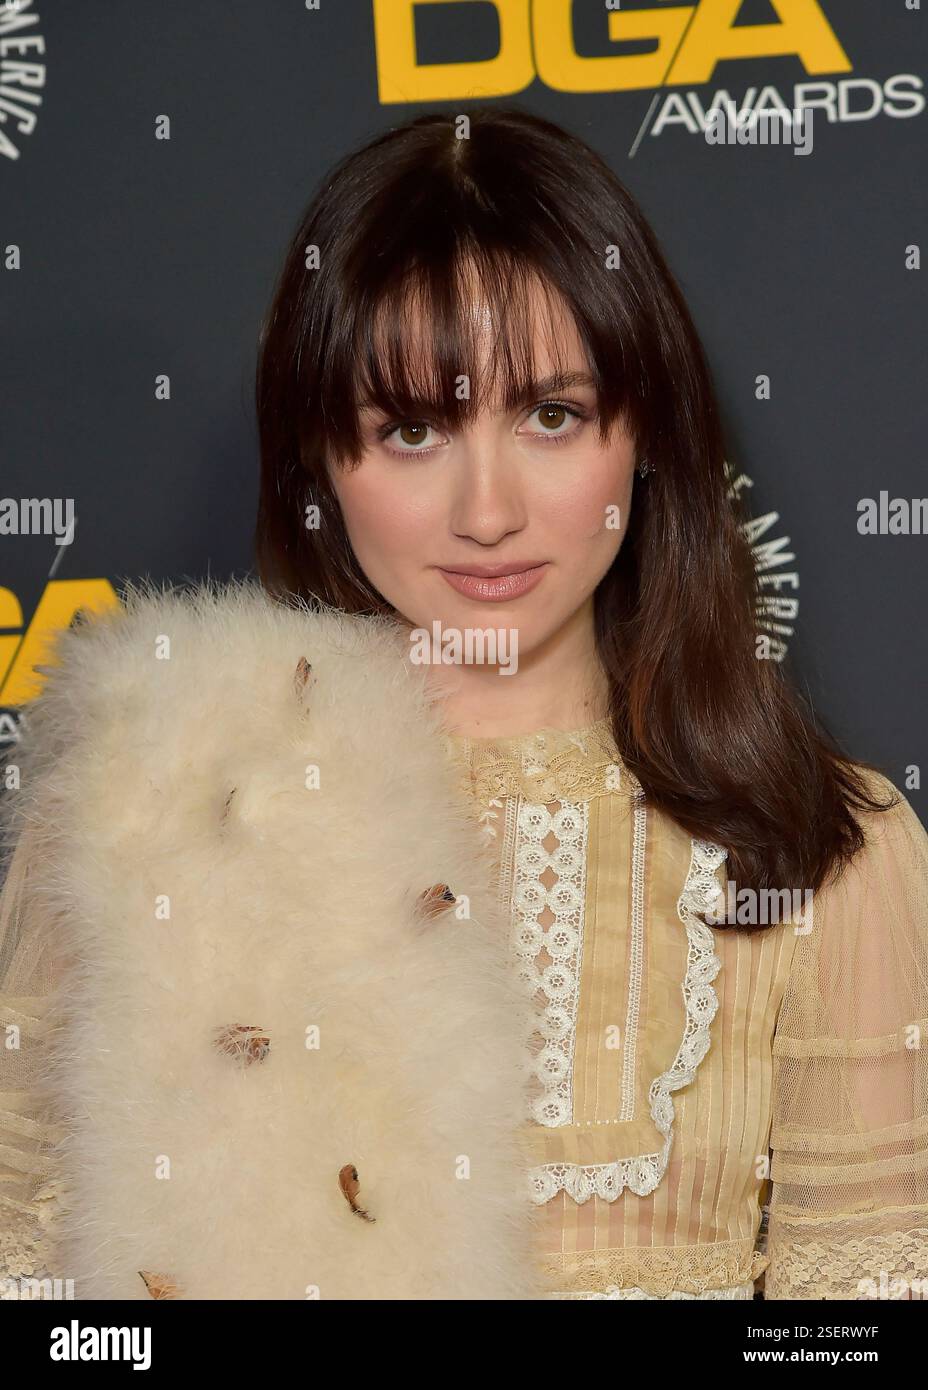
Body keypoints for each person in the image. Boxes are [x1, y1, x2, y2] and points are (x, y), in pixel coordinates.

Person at [1, 108, 926, 1301]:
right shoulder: (145, 807)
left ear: (645, 432)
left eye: (551, 414)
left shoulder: (827, 853)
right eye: (413, 428)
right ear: (321, 459)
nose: (485, 509)